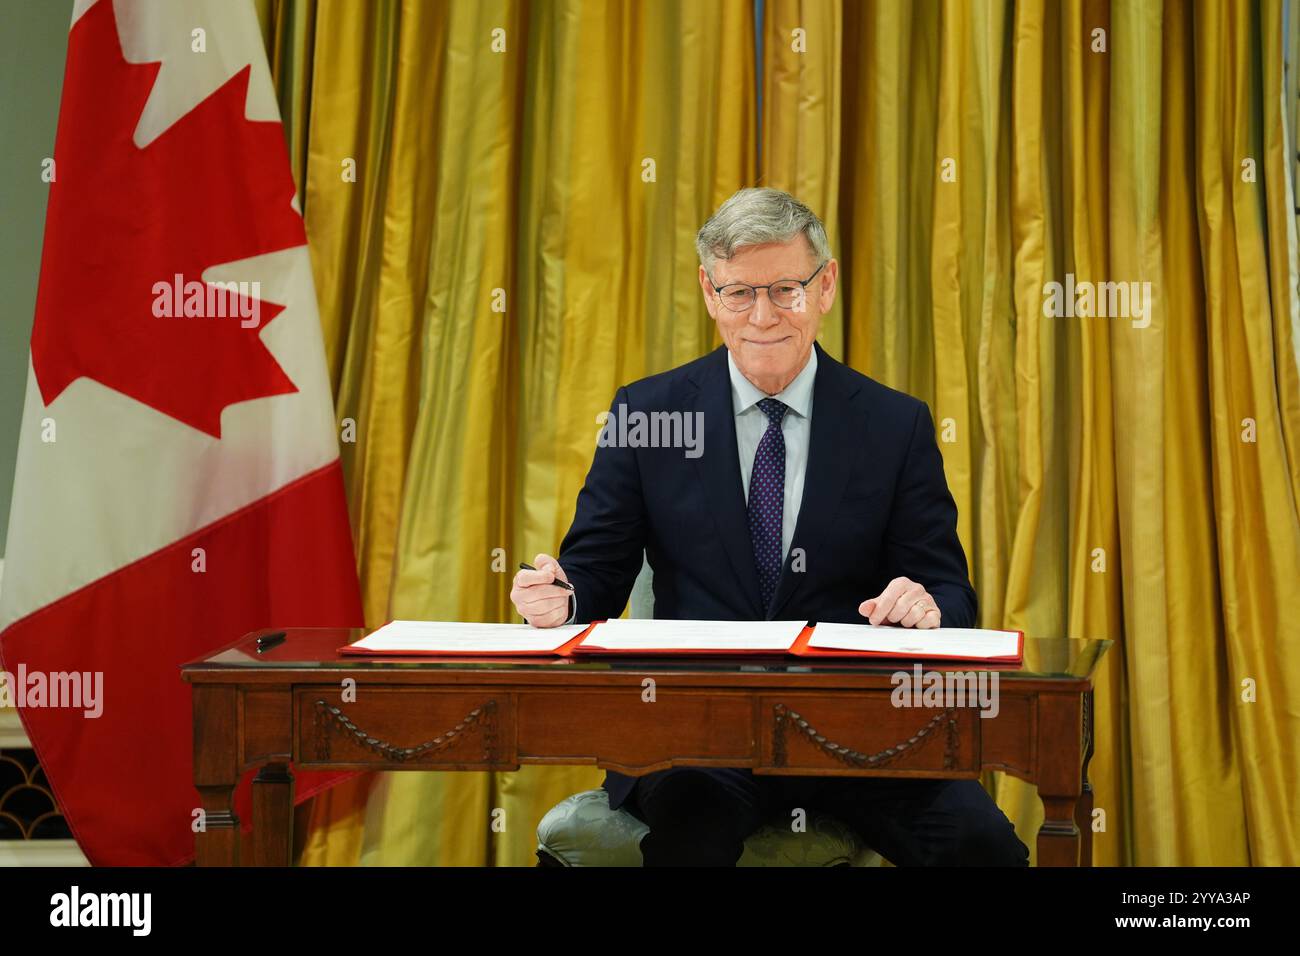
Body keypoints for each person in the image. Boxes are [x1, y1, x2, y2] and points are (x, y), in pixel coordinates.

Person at [511, 187, 1029, 866]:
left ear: (826, 287)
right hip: (698, 731)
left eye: (785, 289)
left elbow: (952, 594)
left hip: (857, 732)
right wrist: (560, 596)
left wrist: (928, 605)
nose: (763, 316)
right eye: (739, 293)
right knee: (690, 832)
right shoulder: (649, 412)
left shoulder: (894, 425)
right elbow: (595, 575)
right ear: (708, 291)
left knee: (984, 846)